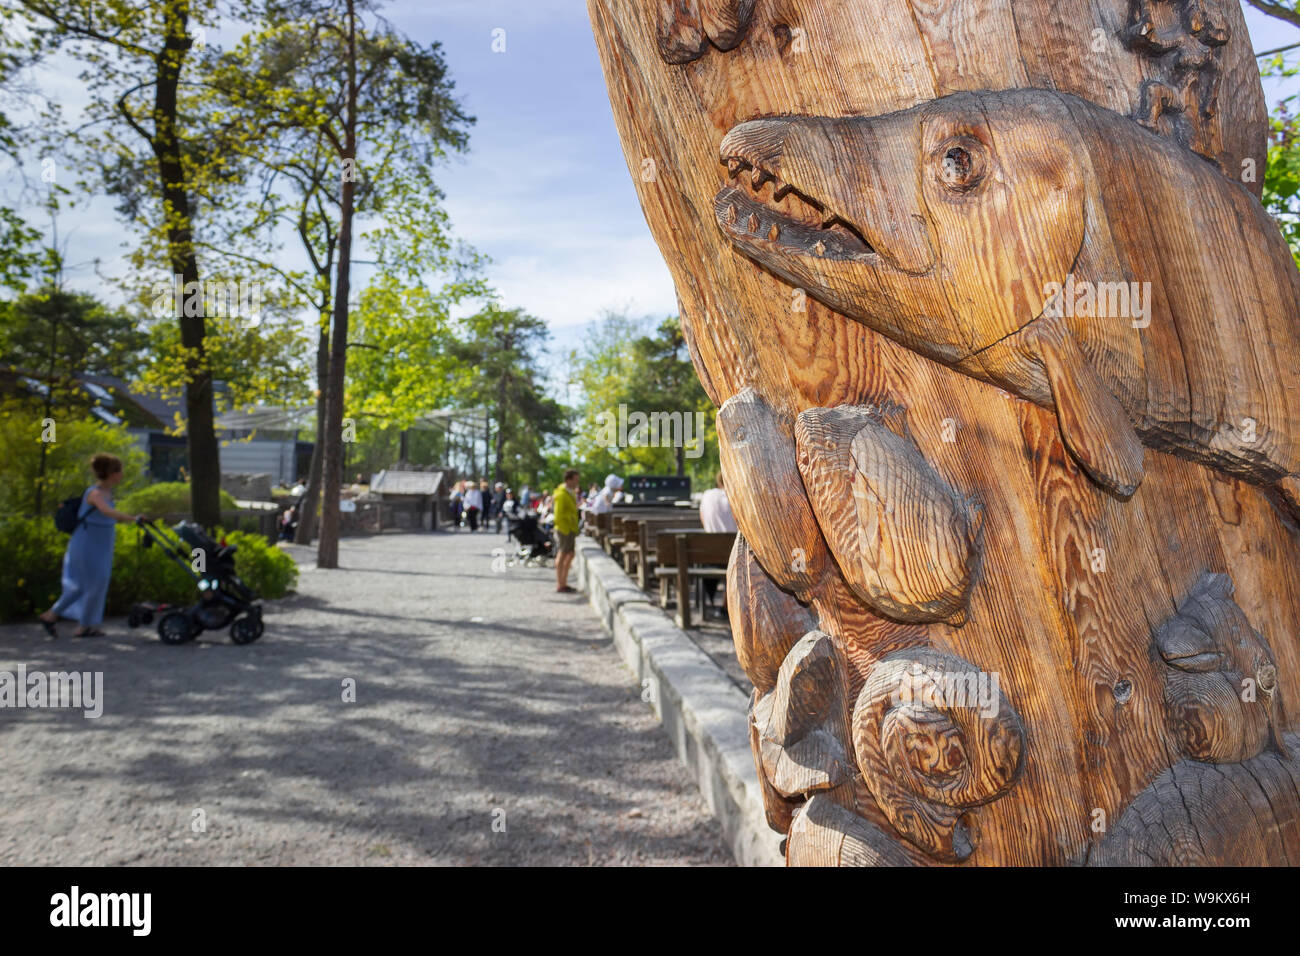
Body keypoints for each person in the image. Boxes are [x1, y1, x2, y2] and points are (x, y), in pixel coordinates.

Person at [39, 453, 141, 638]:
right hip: (86, 543)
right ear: (112, 473)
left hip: (102, 543)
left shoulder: (108, 492)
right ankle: (53, 615)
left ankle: (85, 625)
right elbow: (106, 511)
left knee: (99, 583)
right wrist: (133, 518)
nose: (122, 475)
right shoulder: (94, 493)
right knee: (81, 585)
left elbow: (107, 514)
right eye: (119, 471)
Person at [552, 469, 580, 593]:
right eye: (575, 479)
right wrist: (565, 528)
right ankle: (560, 584)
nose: (577, 482)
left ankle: (563, 582)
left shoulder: (570, 492)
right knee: (562, 554)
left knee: (569, 554)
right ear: (569, 480)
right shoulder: (562, 494)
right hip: (565, 529)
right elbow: (558, 515)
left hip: (570, 528)